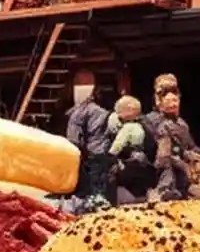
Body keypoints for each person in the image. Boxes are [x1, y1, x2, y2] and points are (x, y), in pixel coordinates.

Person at [65, 71, 112, 203]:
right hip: (102, 150)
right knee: (100, 180)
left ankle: (92, 201)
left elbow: (73, 138)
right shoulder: (102, 112)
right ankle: (99, 200)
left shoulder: (78, 113)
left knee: (91, 181)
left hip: (90, 152)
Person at [108, 95, 156, 205]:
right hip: (142, 161)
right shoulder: (144, 124)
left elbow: (117, 145)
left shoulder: (127, 127)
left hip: (132, 162)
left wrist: (110, 155)